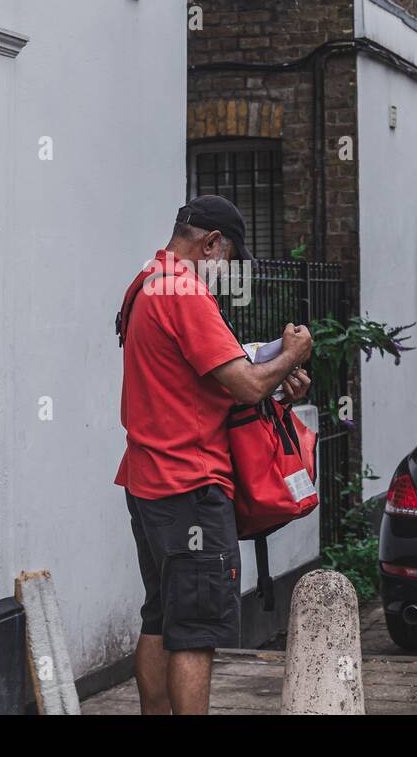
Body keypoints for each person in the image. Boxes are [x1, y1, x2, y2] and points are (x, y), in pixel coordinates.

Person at [115, 195, 312, 714]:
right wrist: (291, 354)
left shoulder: (147, 283)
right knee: (195, 633)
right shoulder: (186, 293)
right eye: (226, 259)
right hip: (190, 486)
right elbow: (246, 386)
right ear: (210, 244)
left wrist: (269, 377)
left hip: (148, 481)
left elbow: (198, 380)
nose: (225, 271)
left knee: (161, 619)